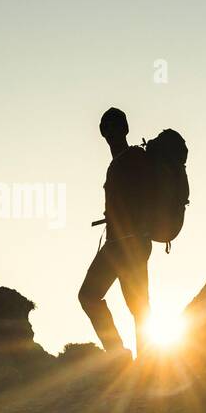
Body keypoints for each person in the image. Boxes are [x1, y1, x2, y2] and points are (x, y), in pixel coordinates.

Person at [78, 107, 153, 357]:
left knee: (137, 306)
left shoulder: (133, 158)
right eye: (107, 128)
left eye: (114, 127)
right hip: (118, 243)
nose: (111, 132)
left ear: (124, 129)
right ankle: (121, 356)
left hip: (129, 244)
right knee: (92, 296)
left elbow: (143, 198)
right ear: (102, 133)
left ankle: (144, 364)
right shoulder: (123, 160)